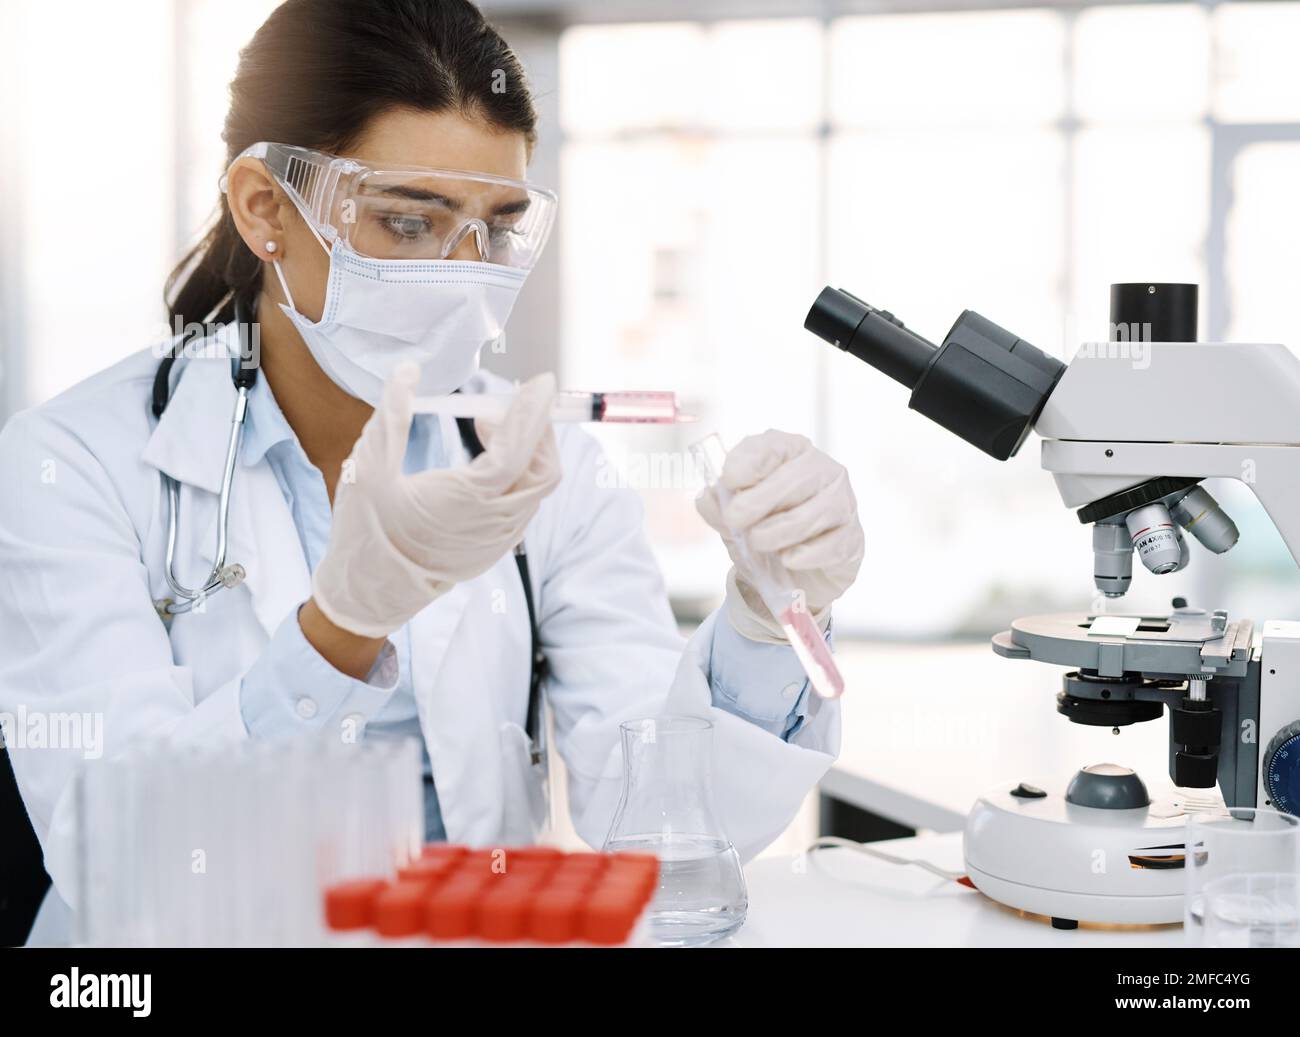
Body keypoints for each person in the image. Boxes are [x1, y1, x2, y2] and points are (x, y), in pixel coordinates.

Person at [0, 0, 864, 944]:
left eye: (495, 228)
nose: (462, 274)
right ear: (264, 209)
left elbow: (661, 833)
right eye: (409, 223)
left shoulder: (548, 468)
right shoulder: (74, 463)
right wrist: (340, 631)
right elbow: (123, 860)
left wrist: (764, 620)